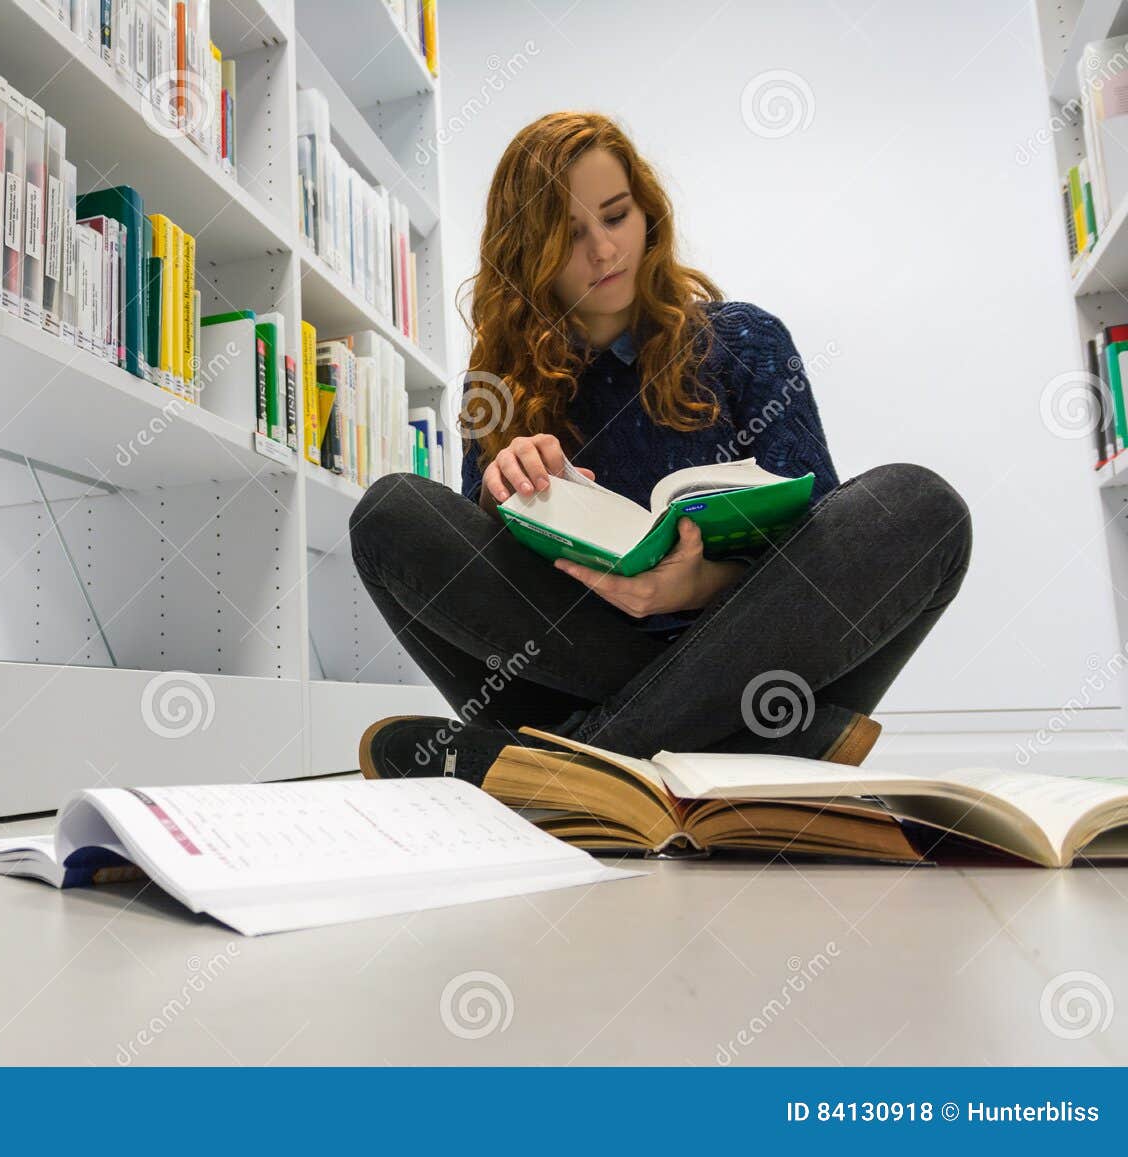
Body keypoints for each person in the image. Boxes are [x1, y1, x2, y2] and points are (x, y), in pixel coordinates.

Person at [348, 111, 972, 785]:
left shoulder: (746, 341)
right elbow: (481, 589)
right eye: (569, 237)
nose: (604, 252)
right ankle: (731, 758)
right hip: (587, 664)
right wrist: (501, 494)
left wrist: (697, 584)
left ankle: (581, 765)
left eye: (616, 217)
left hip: (762, 668)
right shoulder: (495, 385)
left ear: (647, 211)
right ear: (529, 253)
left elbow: (823, 559)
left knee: (920, 505)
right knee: (391, 512)